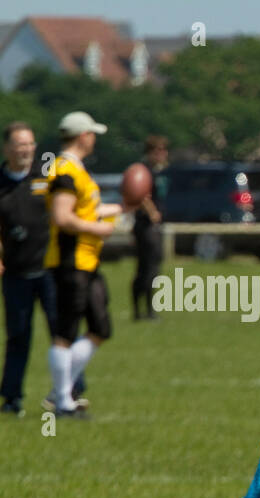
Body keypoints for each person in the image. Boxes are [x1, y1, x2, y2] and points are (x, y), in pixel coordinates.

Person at [42, 111, 123, 418]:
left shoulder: (77, 170)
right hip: (68, 261)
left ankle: (60, 391)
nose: (94, 139)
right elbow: (62, 218)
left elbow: (86, 209)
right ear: (82, 136)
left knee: (100, 327)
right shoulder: (64, 171)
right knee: (65, 332)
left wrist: (119, 208)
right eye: (92, 134)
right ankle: (63, 400)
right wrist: (98, 229)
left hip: (86, 261)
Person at [0, 121, 57, 416]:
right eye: (20, 144)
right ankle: (11, 398)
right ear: (7, 147)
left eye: (30, 144)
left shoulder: (45, 176)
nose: (26, 150)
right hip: (16, 272)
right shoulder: (0, 182)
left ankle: (70, 392)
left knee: (61, 333)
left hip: (49, 270)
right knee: (18, 336)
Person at [131, 135, 167, 321]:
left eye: (163, 150)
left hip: (153, 226)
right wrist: (152, 212)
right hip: (145, 226)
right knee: (147, 269)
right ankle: (142, 311)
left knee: (153, 268)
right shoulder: (144, 171)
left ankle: (148, 310)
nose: (162, 154)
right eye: (158, 150)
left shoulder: (158, 172)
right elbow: (140, 194)